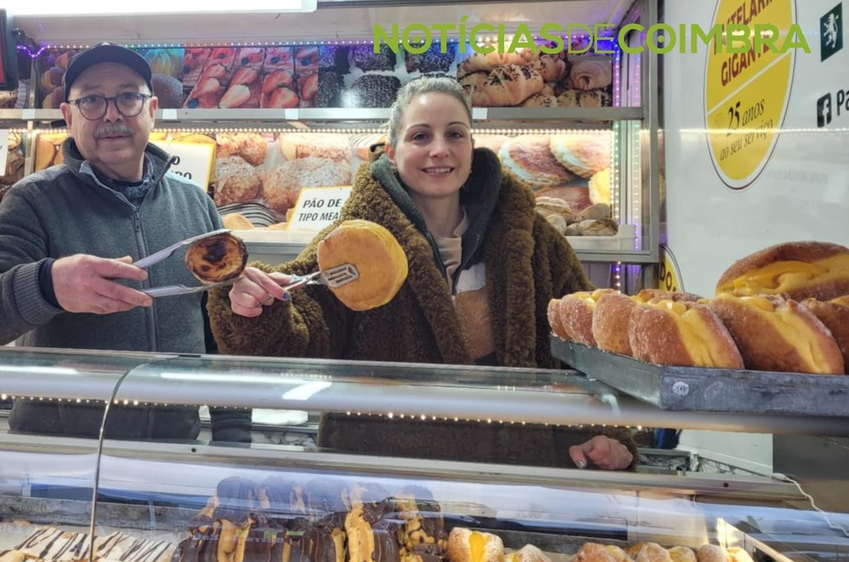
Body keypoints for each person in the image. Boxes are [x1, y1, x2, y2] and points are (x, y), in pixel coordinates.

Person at [207, 75, 636, 470]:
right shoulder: (354, 242)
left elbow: (589, 350)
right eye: (420, 136)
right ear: (392, 151)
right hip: (388, 489)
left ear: (472, 146)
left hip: (518, 483)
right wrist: (256, 306)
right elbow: (303, 332)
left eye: (455, 134)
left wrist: (608, 435)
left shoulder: (532, 240)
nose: (439, 149)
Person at [0, 41, 249, 443]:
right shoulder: (32, 200)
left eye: (128, 97)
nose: (111, 114)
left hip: (173, 455)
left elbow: (223, 338)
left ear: (152, 110)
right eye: (91, 100)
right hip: (60, 462)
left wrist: (233, 441)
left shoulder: (196, 205)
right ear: (68, 117)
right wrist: (48, 285)